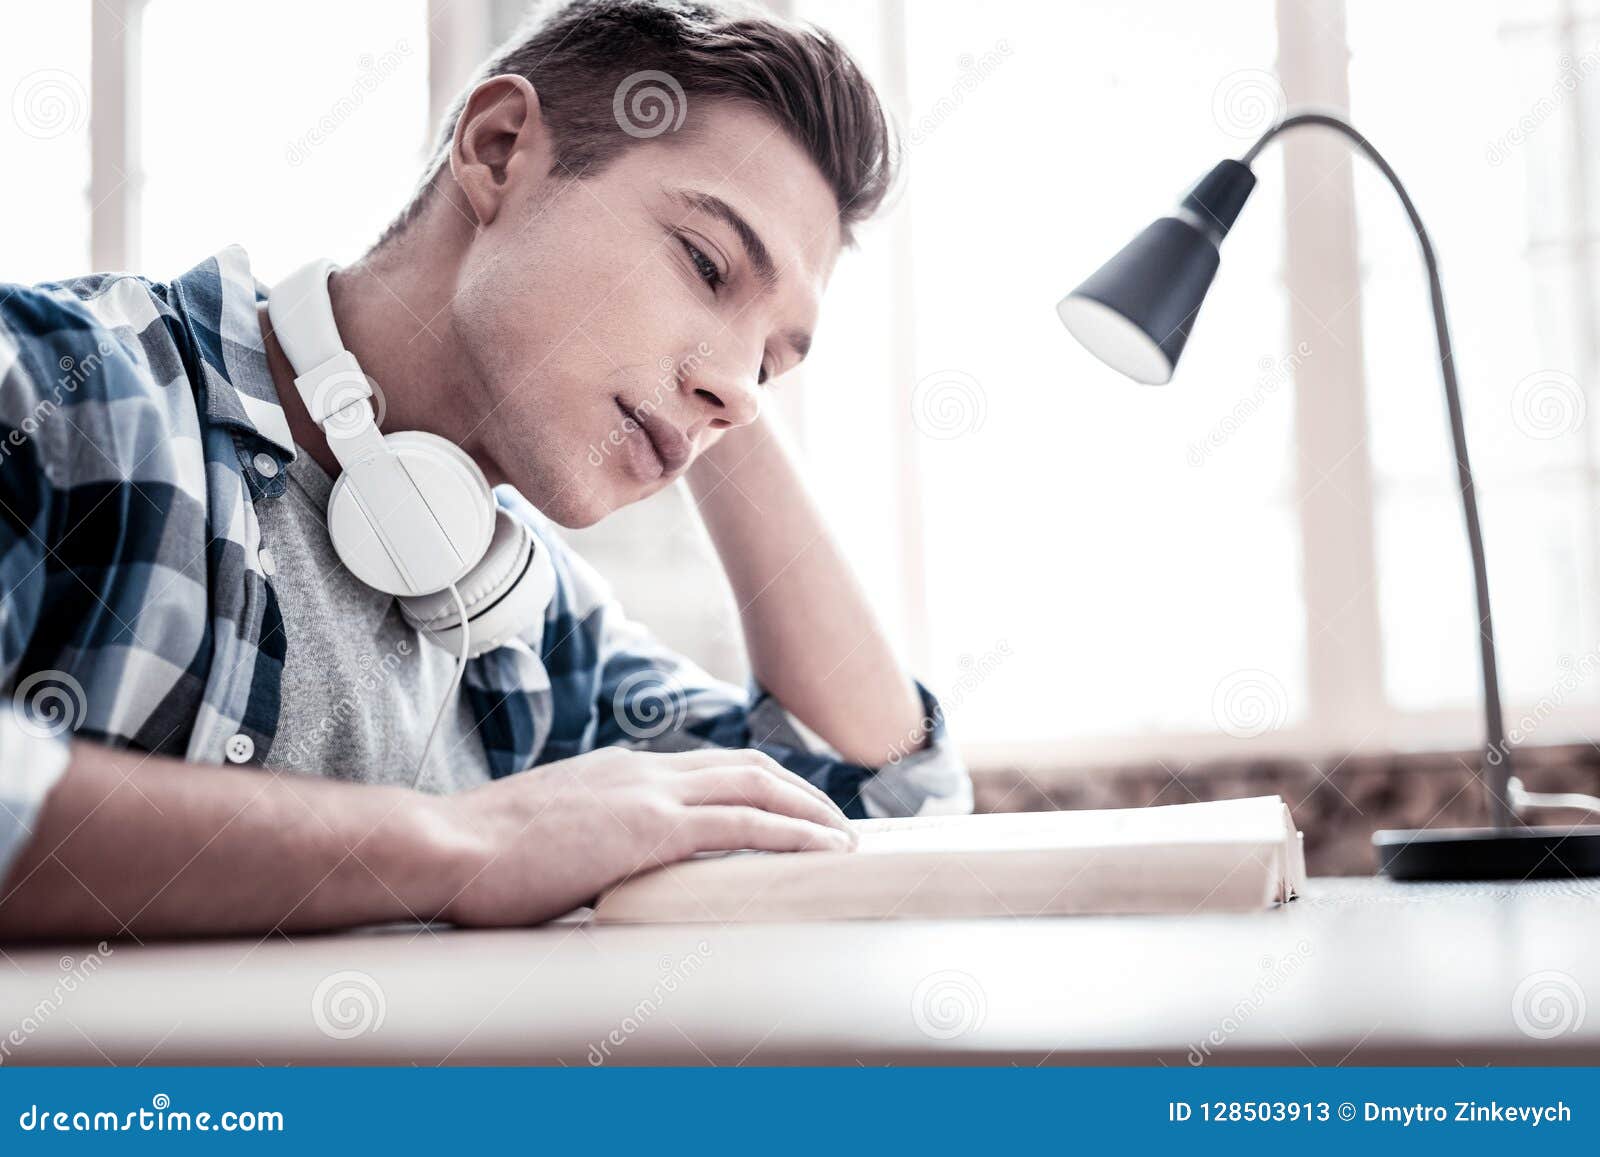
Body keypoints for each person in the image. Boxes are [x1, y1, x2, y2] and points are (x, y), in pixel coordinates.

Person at [0, 0, 969, 941]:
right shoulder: (51, 390)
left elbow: (886, 804)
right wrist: (458, 844)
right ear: (500, 149)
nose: (740, 394)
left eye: (771, 364)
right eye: (706, 262)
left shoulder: (531, 626)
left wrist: (719, 365)